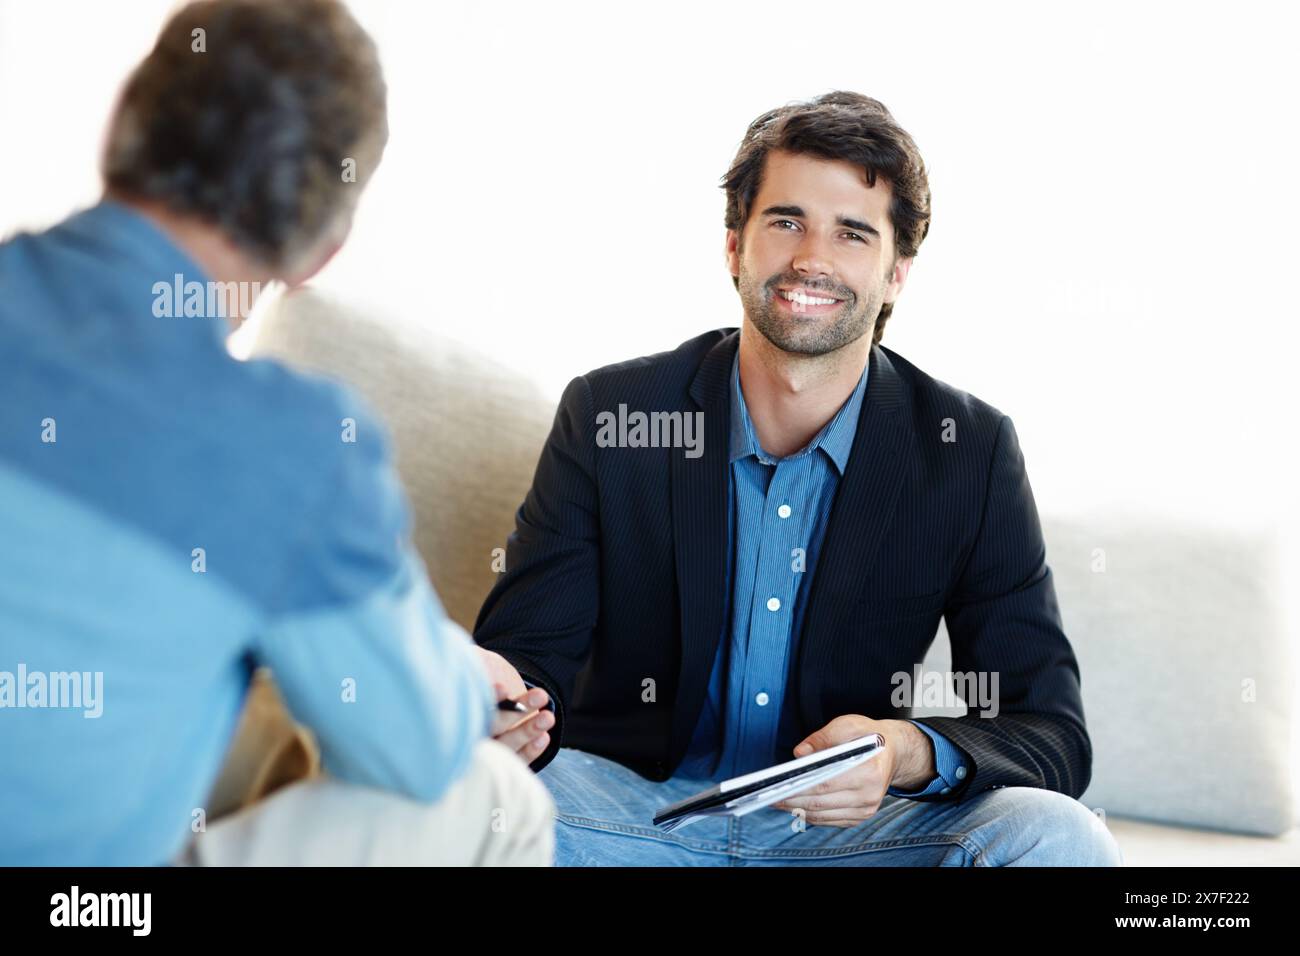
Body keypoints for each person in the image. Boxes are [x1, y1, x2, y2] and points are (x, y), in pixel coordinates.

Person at [474, 91, 1121, 866]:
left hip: (844, 841)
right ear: (733, 246)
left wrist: (900, 749)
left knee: (1056, 835)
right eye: (785, 221)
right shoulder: (611, 412)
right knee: (450, 789)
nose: (812, 258)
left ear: (896, 274)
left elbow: (1050, 731)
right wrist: (504, 708)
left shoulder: (969, 451)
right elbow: (528, 655)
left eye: (852, 233)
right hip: (629, 818)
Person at [0, 0, 553, 866]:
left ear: (119, 127)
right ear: (322, 249)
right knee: (498, 799)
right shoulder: (292, 449)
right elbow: (409, 755)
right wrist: (443, 663)